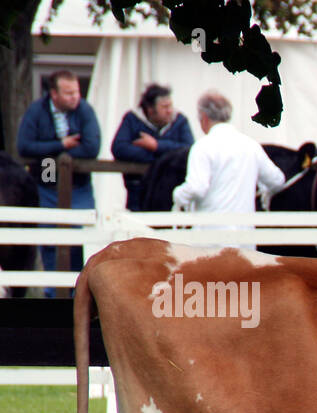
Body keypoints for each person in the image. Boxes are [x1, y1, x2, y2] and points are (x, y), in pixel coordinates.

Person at [16, 70, 101, 287]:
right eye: (68, 93)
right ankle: (53, 293)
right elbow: (25, 146)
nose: (75, 97)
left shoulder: (84, 110)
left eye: (76, 92)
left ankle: (78, 292)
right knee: (50, 241)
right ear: (54, 94)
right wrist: (61, 146)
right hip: (46, 184)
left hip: (79, 187)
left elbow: (92, 147)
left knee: (81, 240)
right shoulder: (37, 110)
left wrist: (53, 153)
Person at [172, 91, 285, 247]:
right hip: (244, 240)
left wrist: (178, 195)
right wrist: (263, 190)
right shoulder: (250, 145)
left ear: (203, 116)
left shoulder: (202, 147)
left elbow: (197, 188)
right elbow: (277, 180)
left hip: (210, 242)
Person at [111, 83, 194, 211]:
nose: (170, 110)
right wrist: (164, 157)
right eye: (165, 107)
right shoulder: (132, 119)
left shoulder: (180, 121)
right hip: (137, 189)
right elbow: (119, 148)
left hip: (171, 191)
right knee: (138, 228)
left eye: (170, 105)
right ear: (150, 110)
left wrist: (156, 146)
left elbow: (189, 149)